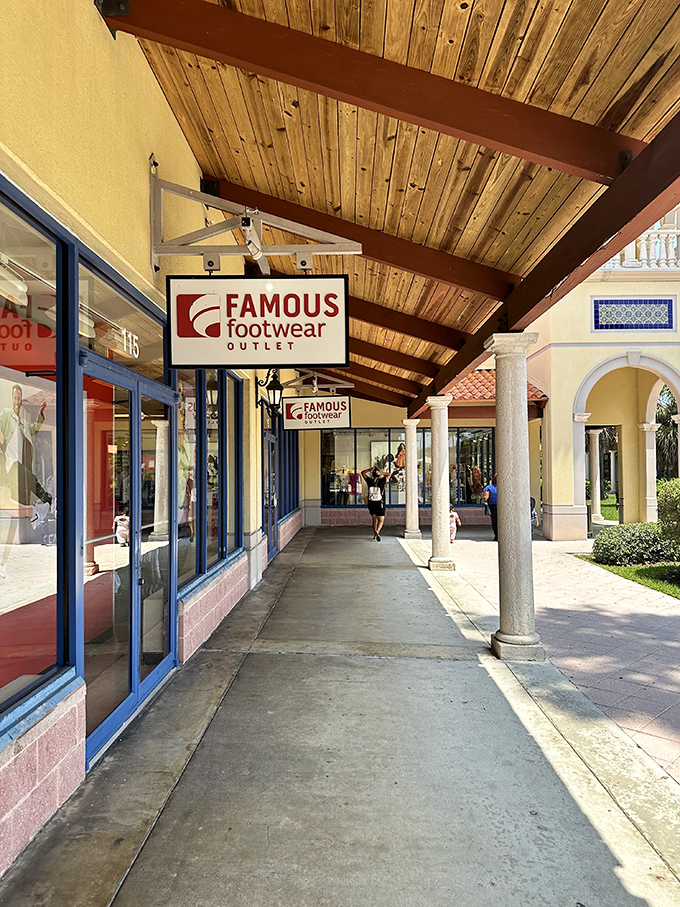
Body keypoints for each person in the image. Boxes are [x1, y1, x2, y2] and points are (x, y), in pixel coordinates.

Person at [0, 384, 52, 523]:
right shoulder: (6, 414)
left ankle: (30, 519)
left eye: (19, 399)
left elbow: (34, 429)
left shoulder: (22, 423)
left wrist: (41, 415)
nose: (17, 401)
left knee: (21, 494)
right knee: (31, 480)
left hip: (22, 462)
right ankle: (48, 500)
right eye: (15, 398)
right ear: (12, 399)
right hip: (10, 463)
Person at [361, 465, 390, 541]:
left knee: (374, 520)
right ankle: (377, 531)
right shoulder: (382, 481)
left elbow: (362, 473)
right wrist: (380, 473)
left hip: (371, 503)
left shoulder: (369, 481)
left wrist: (369, 469)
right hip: (379, 503)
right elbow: (389, 474)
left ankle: (375, 534)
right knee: (381, 520)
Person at [483, 473, 498, 541]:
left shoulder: (489, 487)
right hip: (500, 505)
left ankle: (497, 535)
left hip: (493, 506)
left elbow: (485, 497)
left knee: (494, 521)